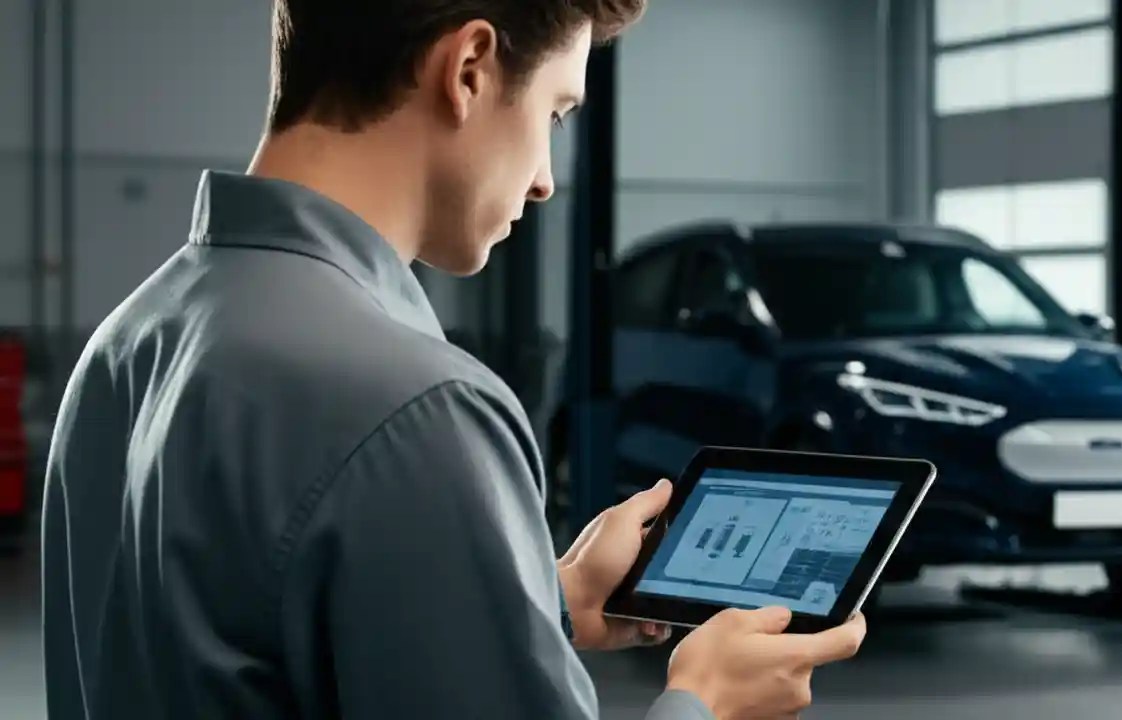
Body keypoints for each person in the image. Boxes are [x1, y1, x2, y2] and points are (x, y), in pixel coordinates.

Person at [41, 1, 868, 718]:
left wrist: (548, 600)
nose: (546, 180)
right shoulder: (421, 408)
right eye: (555, 112)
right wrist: (705, 704)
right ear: (470, 67)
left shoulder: (124, 346)